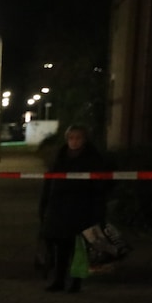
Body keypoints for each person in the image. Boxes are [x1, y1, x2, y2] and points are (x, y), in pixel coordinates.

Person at [39, 124, 112, 293]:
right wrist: (44, 207)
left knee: (79, 249)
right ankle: (59, 281)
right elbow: (49, 183)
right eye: (71, 138)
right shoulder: (60, 157)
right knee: (61, 248)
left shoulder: (93, 159)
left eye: (78, 138)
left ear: (85, 140)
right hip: (59, 210)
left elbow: (100, 187)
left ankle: (76, 283)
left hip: (82, 209)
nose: (74, 141)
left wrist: (97, 212)